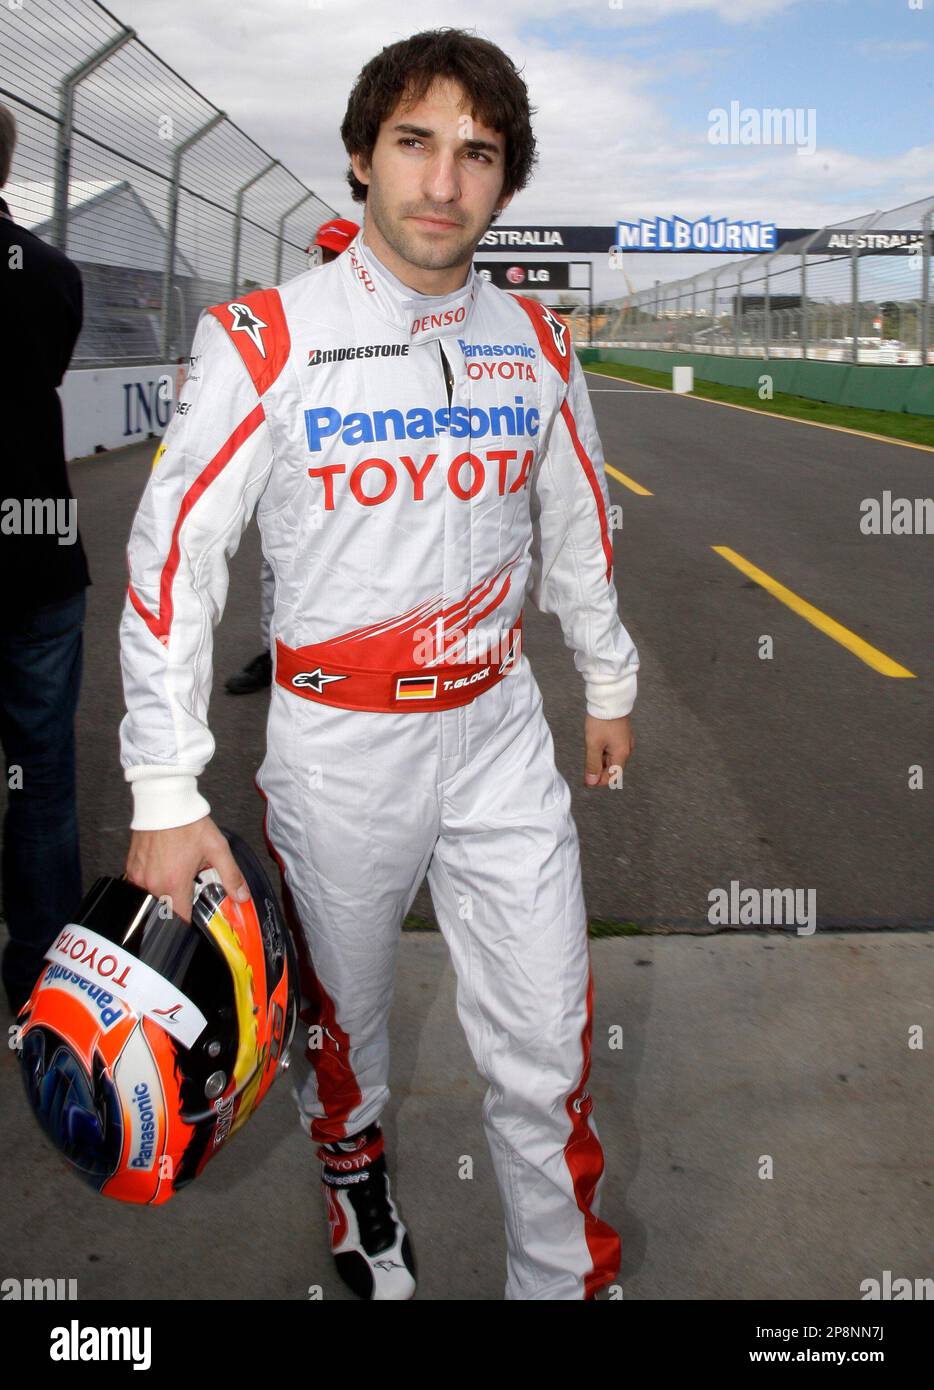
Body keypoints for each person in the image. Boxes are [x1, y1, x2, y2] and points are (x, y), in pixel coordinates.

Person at [118, 28, 639, 1301]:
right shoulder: (263, 337)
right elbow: (175, 560)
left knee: (543, 1047)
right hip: (337, 751)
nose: (443, 183)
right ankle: (355, 1186)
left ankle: (562, 1279)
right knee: (342, 1033)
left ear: (505, 185)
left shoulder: (541, 345)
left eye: (478, 154)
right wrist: (164, 788)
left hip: (501, 729)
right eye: (415, 143)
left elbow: (575, 526)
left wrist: (609, 679)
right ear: (360, 157)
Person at [0, 104, 91, 1016]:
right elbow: (49, 373)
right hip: (39, 558)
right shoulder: (53, 274)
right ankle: (40, 969)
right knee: (43, 772)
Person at [225, 216, 360, 695]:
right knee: (275, 559)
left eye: (335, 251)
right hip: (295, 456)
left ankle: (341, 653)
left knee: (350, 559)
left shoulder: (376, 310)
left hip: (353, 463)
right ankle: (274, 653)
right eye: (322, 251)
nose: (326, 259)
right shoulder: (294, 308)